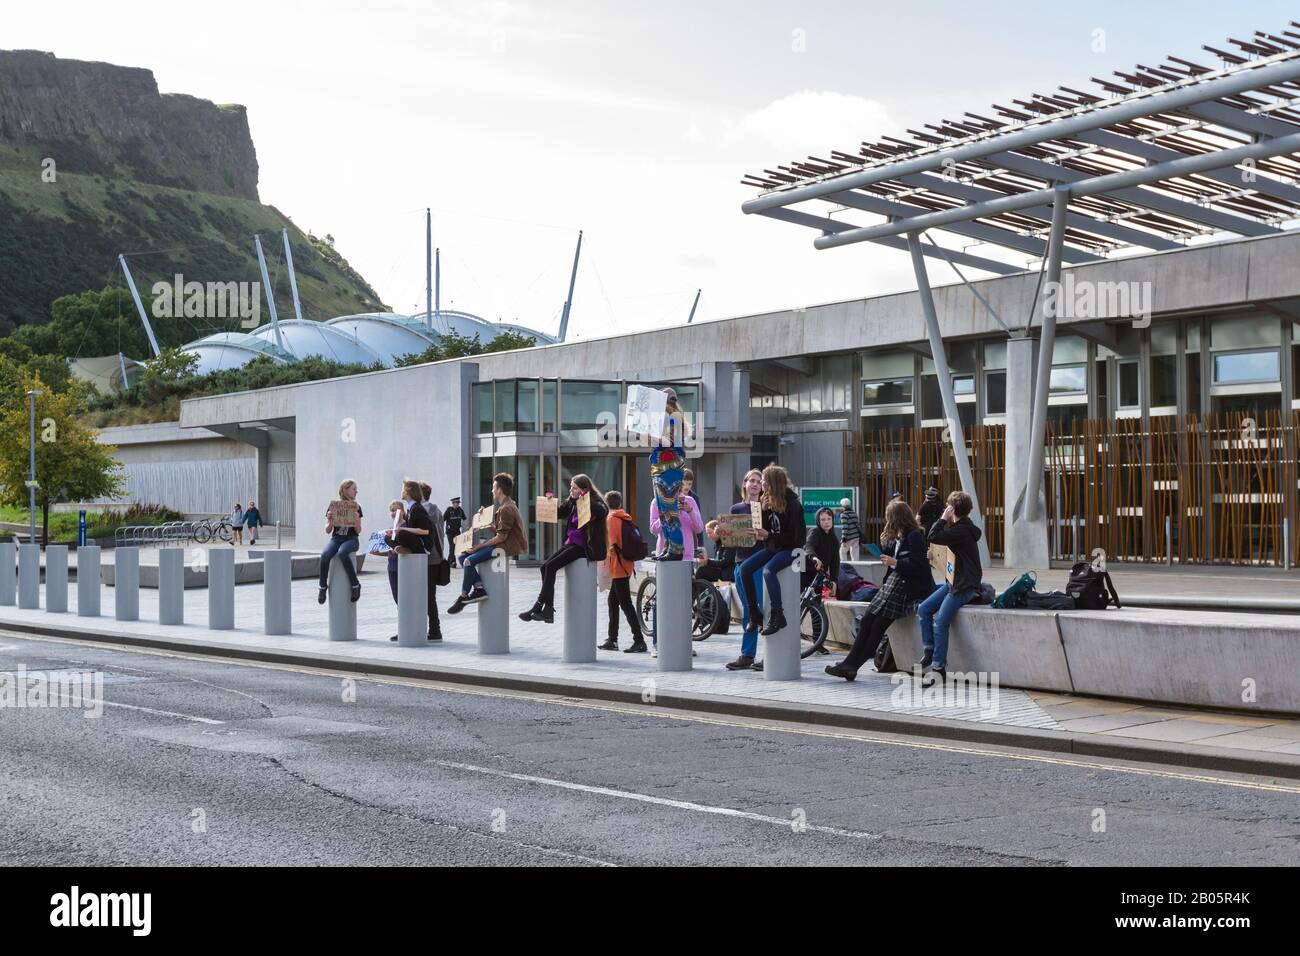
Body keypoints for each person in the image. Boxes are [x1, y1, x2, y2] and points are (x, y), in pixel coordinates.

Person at [826, 499, 935, 681]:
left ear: (897, 517)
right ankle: (849, 663)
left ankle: (852, 665)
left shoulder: (914, 535)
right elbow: (893, 557)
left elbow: (920, 566)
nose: (886, 520)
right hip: (893, 583)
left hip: (905, 588)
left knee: (877, 626)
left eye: (888, 516)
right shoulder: (899, 535)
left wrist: (896, 563)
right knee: (868, 619)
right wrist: (886, 545)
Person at [727, 465, 805, 671]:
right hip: (772, 548)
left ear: (773, 483)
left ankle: (778, 615)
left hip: (789, 549)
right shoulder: (766, 501)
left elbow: (795, 538)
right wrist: (761, 517)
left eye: (763, 481)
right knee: (745, 569)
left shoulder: (793, 504)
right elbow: (764, 530)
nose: (760, 484)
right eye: (755, 481)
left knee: (769, 571)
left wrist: (768, 535)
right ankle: (755, 614)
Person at [915, 490, 984, 687]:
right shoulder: (961, 529)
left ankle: (938, 669)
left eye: (947, 507)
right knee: (924, 609)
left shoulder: (960, 530)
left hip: (964, 585)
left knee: (941, 622)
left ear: (951, 508)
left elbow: (933, 535)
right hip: (954, 582)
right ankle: (929, 650)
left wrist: (942, 518)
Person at [520, 474, 608, 624]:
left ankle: (539, 606)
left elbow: (603, 511)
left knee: (552, 566)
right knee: (545, 567)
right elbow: (559, 512)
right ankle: (548, 610)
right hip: (572, 543)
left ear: (584, 489)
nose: (571, 490)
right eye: (571, 487)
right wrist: (550, 502)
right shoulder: (572, 502)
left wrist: (585, 500)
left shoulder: (594, 502)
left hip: (585, 547)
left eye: (574, 488)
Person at [447, 473, 527, 614]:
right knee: (461, 556)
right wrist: (486, 521)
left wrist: (479, 546)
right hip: (502, 543)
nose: (492, 490)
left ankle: (463, 596)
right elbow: (500, 532)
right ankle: (479, 589)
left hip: (505, 547)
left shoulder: (507, 508)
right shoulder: (506, 506)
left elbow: (501, 537)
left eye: (493, 487)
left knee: (467, 561)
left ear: (500, 490)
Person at [727, 468, 765, 668]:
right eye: (751, 480)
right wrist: (721, 532)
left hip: (758, 564)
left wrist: (761, 534)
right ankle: (748, 655)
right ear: (744, 484)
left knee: (761, 609)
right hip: (740, 562)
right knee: (749, 611)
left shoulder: (764, 508)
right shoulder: (736, 509)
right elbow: (732, 540)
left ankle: (769, 655)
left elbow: (768, 537)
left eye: (758, 481)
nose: (754, 484)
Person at [648, 387, 692, 560]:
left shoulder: (672, 418)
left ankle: (676, 548)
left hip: (669, 468)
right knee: (662, 509)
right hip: (662, 467)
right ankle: (669, 545)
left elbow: (668, 441)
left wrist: (649, 434)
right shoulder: (665, 419)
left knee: (668, 507)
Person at [602, 490, 645, 652]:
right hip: (626, 564)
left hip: (618, 565)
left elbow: (612, 543)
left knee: (625, 604)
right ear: (620, 503)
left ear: (607, 504)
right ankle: (612, 639)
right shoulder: (624, 517)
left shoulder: (611, 519)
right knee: (613, 601)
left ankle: (639, 640)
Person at [317, 481, 362, 604]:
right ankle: (322, 587)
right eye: (354, 489)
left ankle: (355, 585)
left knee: (343, 553)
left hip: (351, 539)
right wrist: (330, 520)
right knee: (325, 555)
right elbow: (327, 530)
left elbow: (359, 530)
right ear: (345, 490)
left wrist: (357, 520)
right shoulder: (334, 506)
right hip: (336, 538)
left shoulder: (357, 507)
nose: (356, 491)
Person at [419, 481, 446, 641]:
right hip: (435, 557)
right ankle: (434, 629)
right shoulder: (436, 510)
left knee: (429, 596)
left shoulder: (428, 510)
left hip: (431, 558)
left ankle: (435, 630)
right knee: (429, 596)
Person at [802, 507, 840, 596]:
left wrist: (834, 581)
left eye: (829, 519)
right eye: (823, 520)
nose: (826, 522)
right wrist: (814, 557)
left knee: (816, 603)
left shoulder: (834, 540)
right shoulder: (815, 532)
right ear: (818, 521)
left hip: (819, 575)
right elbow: (808, 545)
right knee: (801, 601)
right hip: (806, 572)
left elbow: (835, 563)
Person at [838, 497, 860, 562]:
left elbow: (845, 527)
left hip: (849, 536)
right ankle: (856, 566)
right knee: (854, 552)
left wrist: (844, 539)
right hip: (856, 536)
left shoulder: (843, 514)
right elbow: (857, 525)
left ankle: (844, 565)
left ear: (843, 505)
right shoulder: (854, 513)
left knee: (842, 552)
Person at [444, 496, 466, 561]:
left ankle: (449, 561)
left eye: (458, 502)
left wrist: (468, 527)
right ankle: (453, 562)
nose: (457, 504)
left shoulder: (460, 510)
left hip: (457, 531)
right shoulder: (449, 510)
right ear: (453, 503)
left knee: (457, 547)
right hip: (450, 531)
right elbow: (442, 519)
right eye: (456, 502)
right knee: (452, 546)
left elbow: (464, 519)